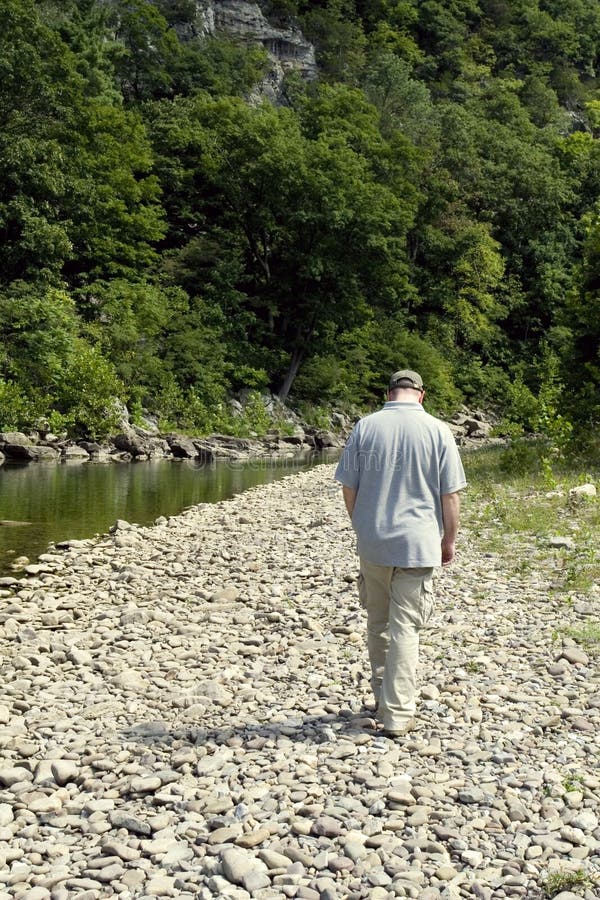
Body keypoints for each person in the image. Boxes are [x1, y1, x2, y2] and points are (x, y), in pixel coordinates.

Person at [335, 369, 467, 737]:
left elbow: (348, 486)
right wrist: (449, 540)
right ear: (421, 395)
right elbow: (450, 495)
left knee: (378, 624)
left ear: (389, 393)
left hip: (374, 542)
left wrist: (362, 524)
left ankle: (382, 697)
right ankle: (397, 714)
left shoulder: (365, 427)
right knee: (406, 628)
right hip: (418, 544)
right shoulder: (439, 430)